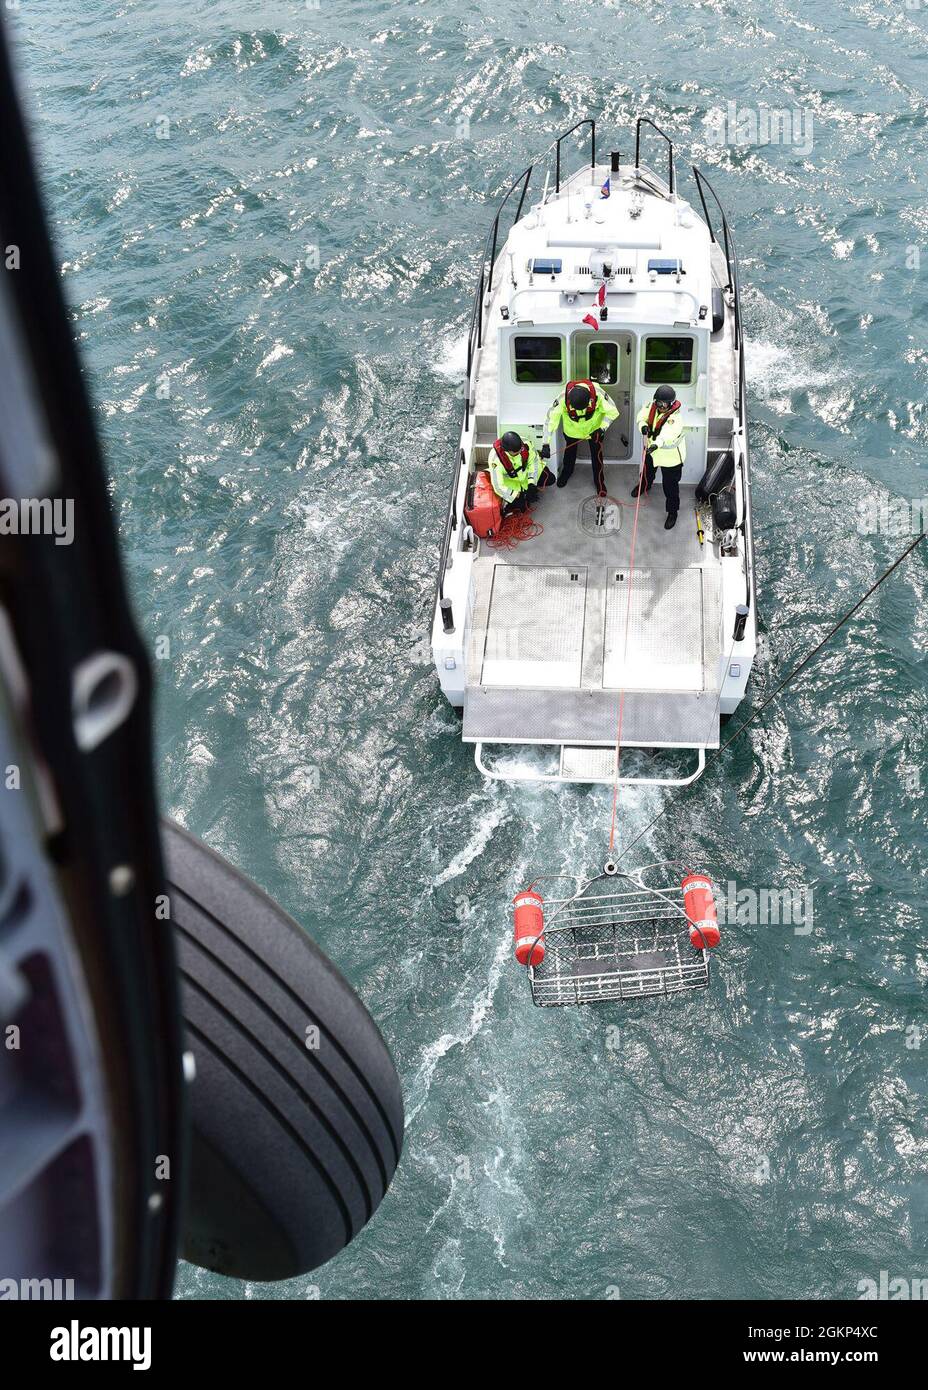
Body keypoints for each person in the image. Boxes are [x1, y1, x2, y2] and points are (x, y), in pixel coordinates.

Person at [542, 380, 618, 496]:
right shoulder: (563, 398)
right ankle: (566, 473)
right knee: (569, 453)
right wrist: (545, 443)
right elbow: (551, 419)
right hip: (572, 431)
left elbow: (613, 411)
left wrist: (602, 428)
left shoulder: (598, 394)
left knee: (597, 455)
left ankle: (599, 482)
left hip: (594, 430)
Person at [633, 384, 687, 530]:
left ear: (671, 404)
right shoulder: (651, 407)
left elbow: (666, 436)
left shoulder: (675, 419)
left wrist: (655, 445)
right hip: (652, 452)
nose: (661, 406)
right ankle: (645, 485)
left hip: (670, 458)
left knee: (670, 487)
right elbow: (642, 416)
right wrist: (643, 426)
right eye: (658, 403)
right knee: (647, 472)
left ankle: (672, 512)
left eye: (664, 404)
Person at [488, 430, 553, 515]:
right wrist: (517, 494)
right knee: (522, 508)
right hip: (514, 484)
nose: (519, 453)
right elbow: (498, 486)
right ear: (506, 450)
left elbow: (534, 463)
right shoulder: (495, 460)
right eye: (515, 453)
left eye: (520, 450)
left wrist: (531, 484)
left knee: (551, 479)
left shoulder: (526, 444)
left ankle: (532, 490)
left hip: (526, 476)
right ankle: (518, 500)